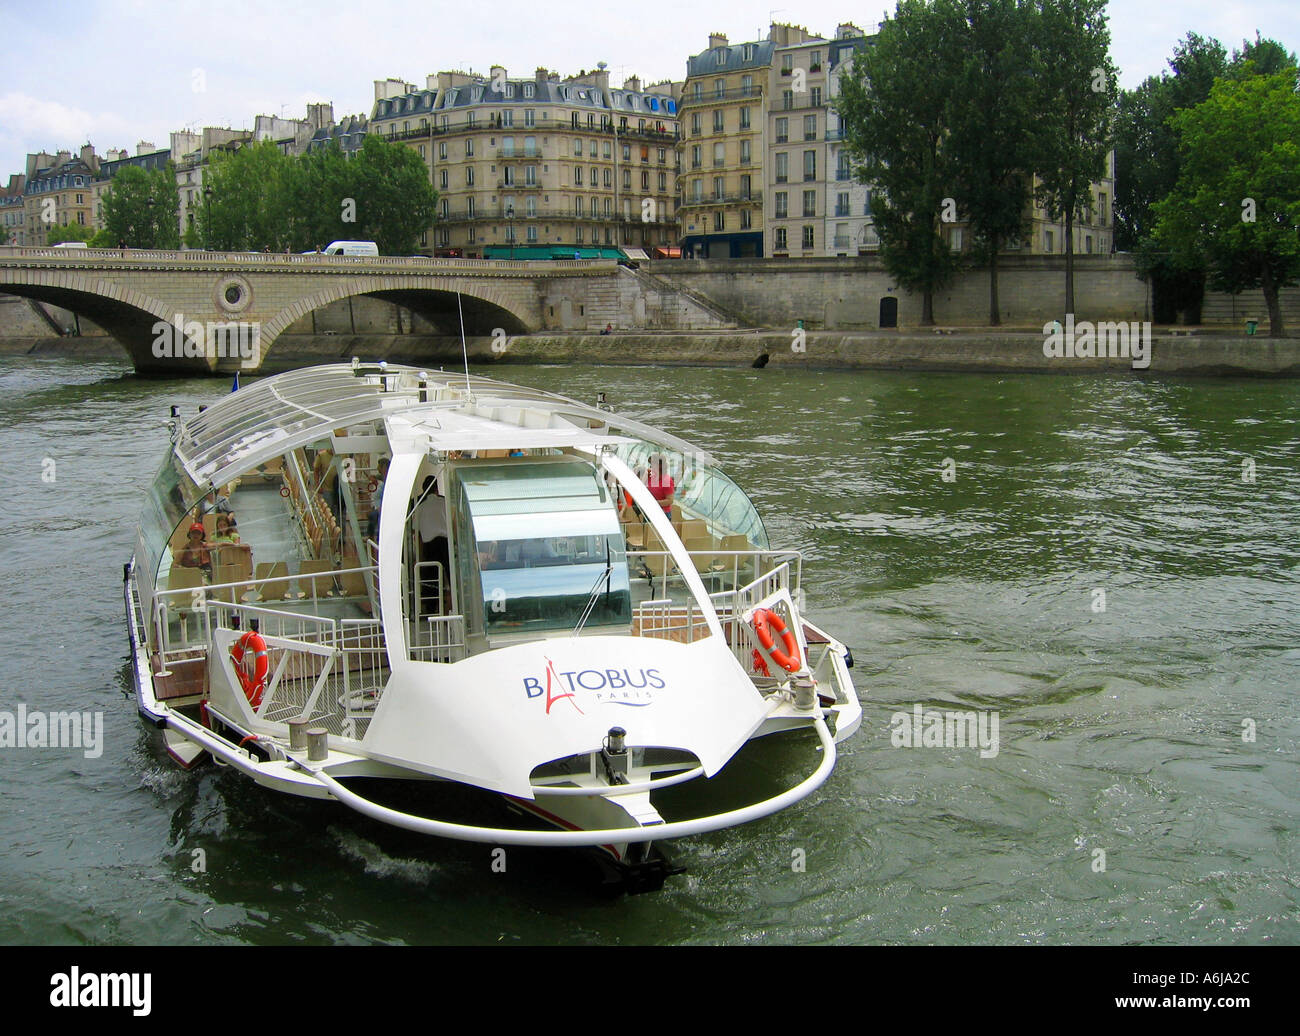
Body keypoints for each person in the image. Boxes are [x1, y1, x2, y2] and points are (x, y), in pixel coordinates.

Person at [416, 475, 450, 613]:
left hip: (429, 545)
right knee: (449, 574)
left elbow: (416, 530)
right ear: (436, 488)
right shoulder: (444, 503)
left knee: (430, 578)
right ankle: (452, 607)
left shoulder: (420, 507)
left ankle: (431, 608)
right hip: (444, 542)